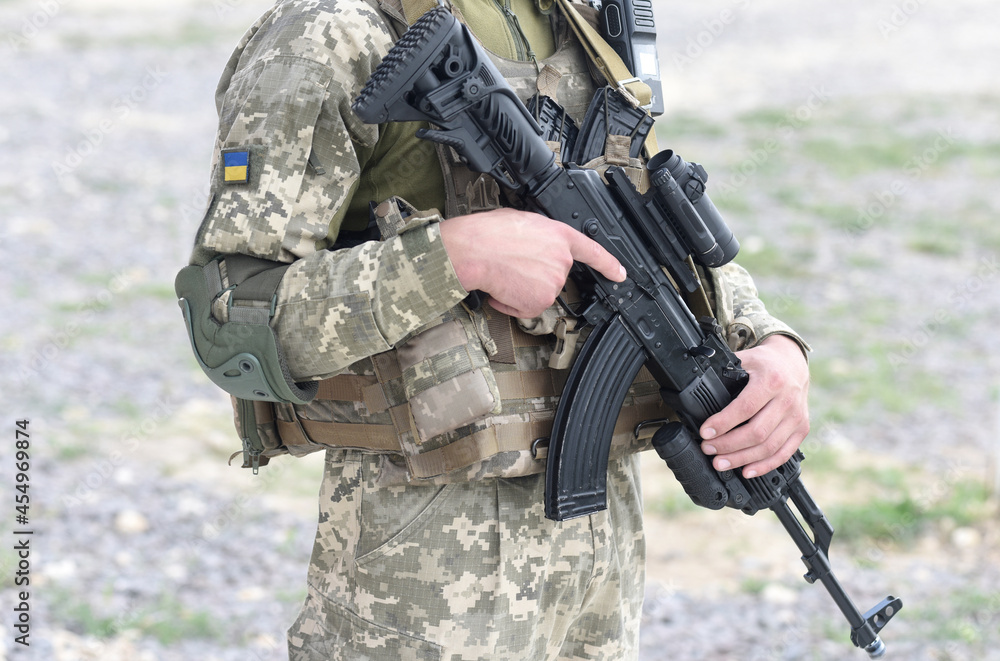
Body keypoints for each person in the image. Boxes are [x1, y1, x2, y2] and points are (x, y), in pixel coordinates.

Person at [183, 0, 810, 658]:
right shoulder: (331, 32)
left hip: (601, 552)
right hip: (427, 573)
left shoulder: (582, 20)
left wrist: (770, 344)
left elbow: (647, 235)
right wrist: (451, 259)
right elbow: (229, 316)